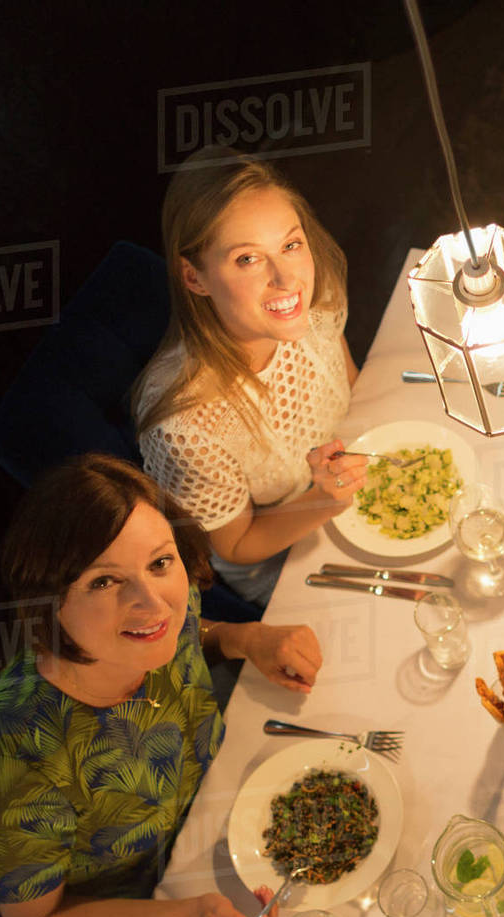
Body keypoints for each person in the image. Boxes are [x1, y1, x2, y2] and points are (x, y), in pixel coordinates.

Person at [0, 455, 324, 917]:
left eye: (160, 562)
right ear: (47, 600)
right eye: (103, 582)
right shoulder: (11, 755)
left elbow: (187, 631)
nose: (155, 605)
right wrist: (189, 912)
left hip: (210, 825)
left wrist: (243, 637)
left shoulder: (161, 615)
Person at [133, 148, 370, 605]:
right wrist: (326, 500)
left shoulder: (315, 304)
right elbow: (238, 546)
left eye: (291, 245)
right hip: (284, 553)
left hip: (350, 489)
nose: (287, 279)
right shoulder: (186, 425)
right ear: (194, 278)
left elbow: (353, 391)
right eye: (247, 259)